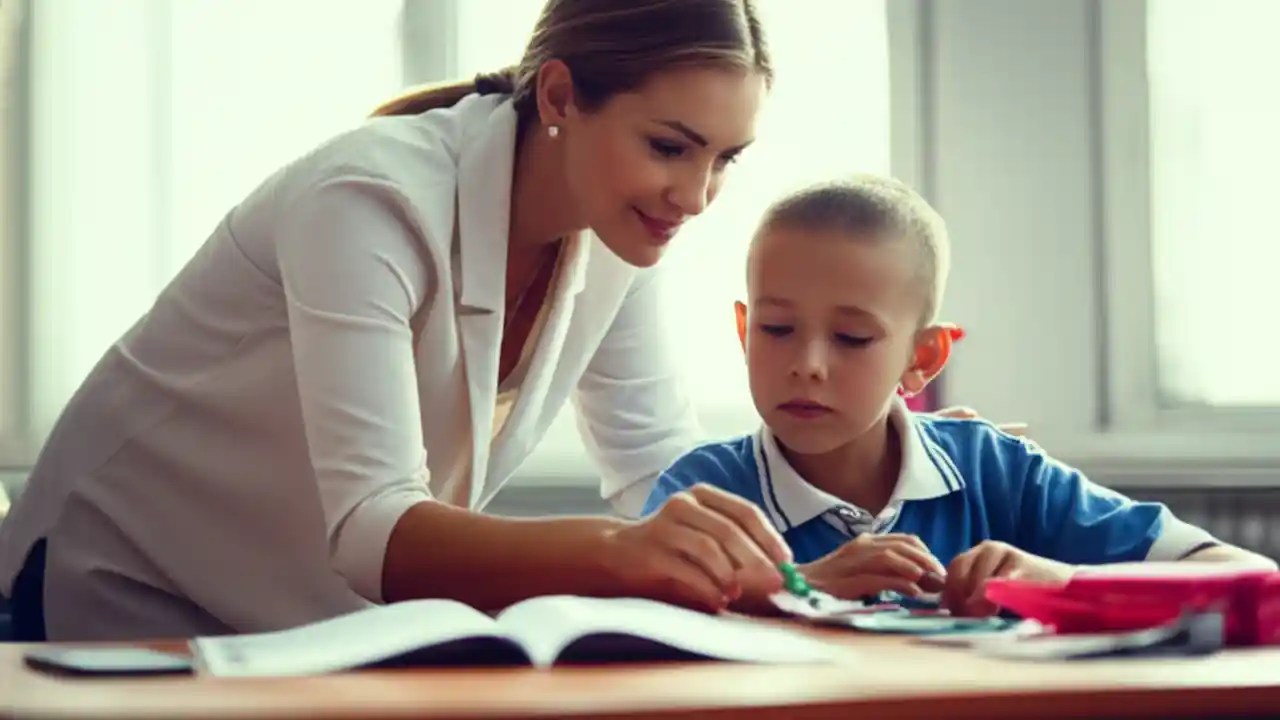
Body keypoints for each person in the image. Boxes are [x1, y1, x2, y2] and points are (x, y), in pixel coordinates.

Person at [0, 0, 809, 641]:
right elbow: (373, 525)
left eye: (725, 159)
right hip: (113, 596)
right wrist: (617, 554)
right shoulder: (367, 198)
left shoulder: (618, 228)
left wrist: (807, 573)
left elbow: (656, 468)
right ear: (560, 95)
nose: (697, 196)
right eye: (671, 147)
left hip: (297, 627)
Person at [643, 175, 1277, 617]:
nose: (808, 365)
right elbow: (629, 620)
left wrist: (1063, 581)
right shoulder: (705, 491)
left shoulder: (997, 472)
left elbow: (1252, 578)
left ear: (922, 358)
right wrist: (800, 586)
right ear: (743, 331)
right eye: (777, 330)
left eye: (852, 337)